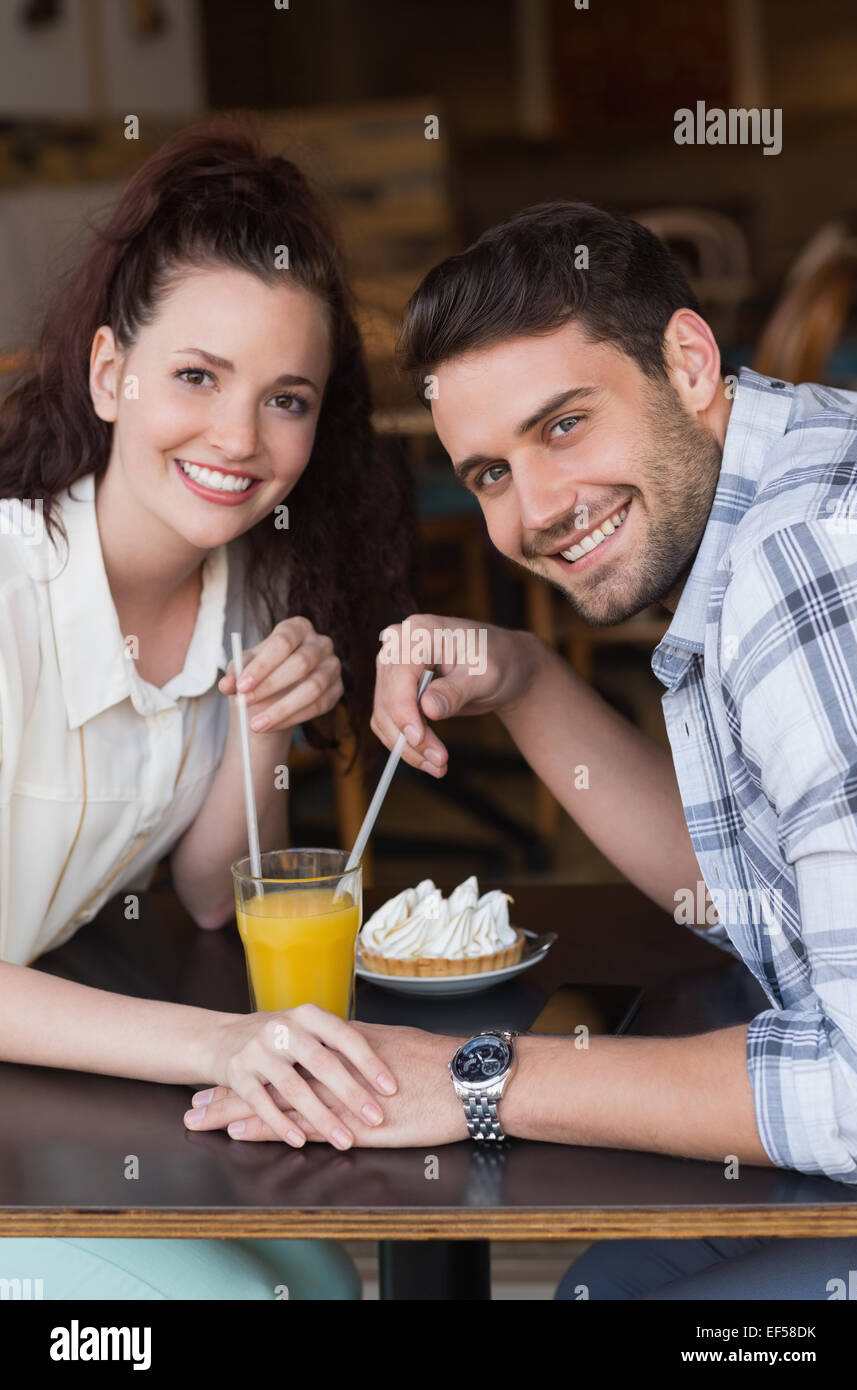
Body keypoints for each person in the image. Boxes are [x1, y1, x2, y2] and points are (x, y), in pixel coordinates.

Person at [192, 202, 857, 1299]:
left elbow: (856, 1087)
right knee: (593, 1289)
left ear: (686, 360)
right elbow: (751, 891)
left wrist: (474, 1078)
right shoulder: (779, 476)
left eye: (562, 424)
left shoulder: (802, 569)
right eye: (488, 473)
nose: (536, 511)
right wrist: (522, 676)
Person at [0, 122, 416, 1299]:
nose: (238, 440)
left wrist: (264, 728)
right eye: (197, 376)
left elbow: (200, 890)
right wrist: (225, 1041)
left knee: (326, 1280)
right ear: (106, 375)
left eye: (285, 398)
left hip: (38, 1071)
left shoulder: (250, 585)